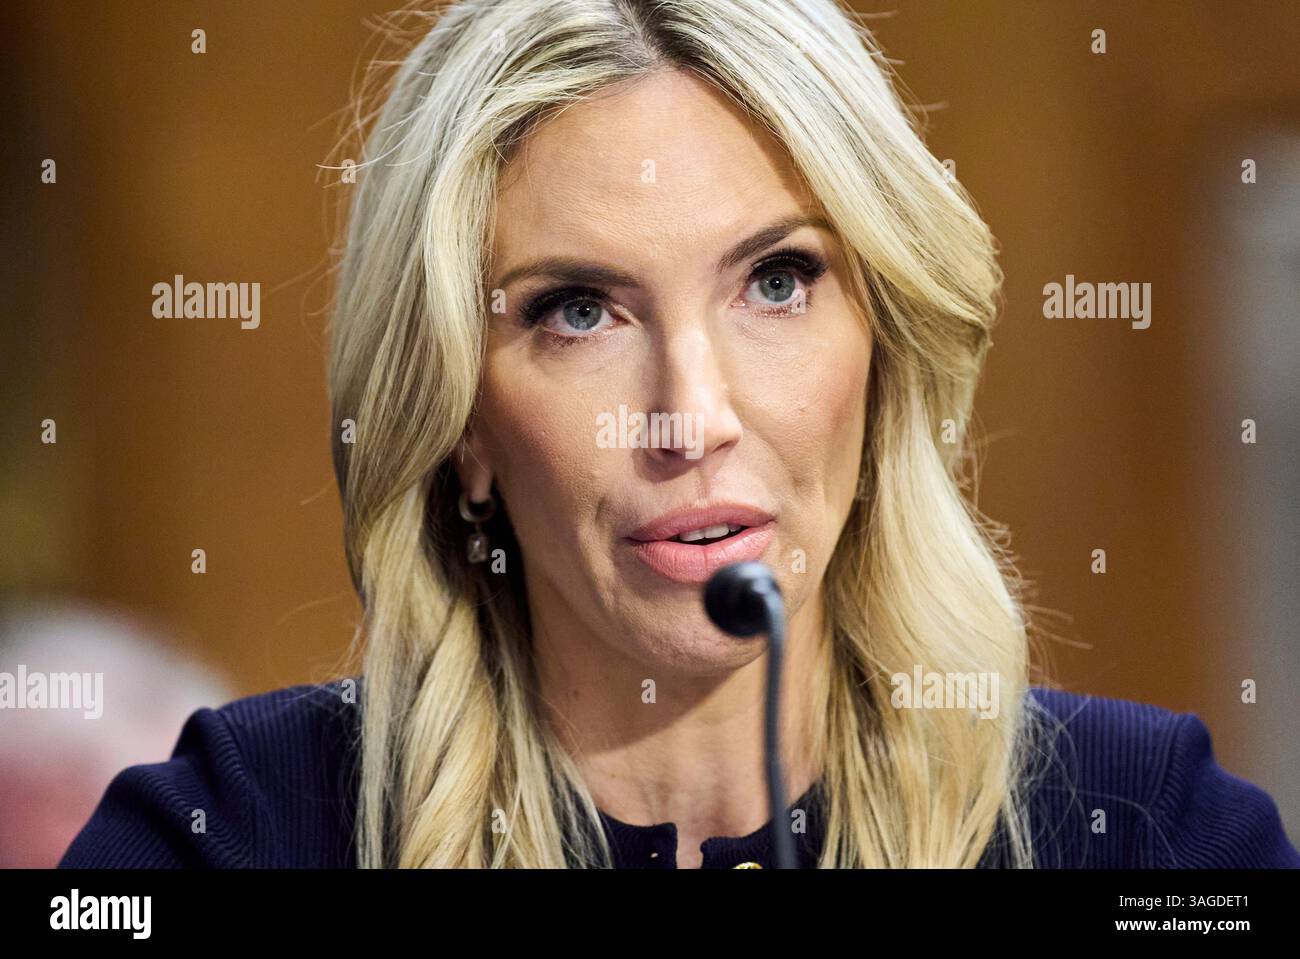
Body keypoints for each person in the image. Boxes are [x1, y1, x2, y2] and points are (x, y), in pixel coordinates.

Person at [60, 0, 1299, 869]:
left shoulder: (1148, 833)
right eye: (578, 311)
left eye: (775, 281)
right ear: (462, 422)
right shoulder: (227, 837)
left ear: (886, 341)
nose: (691, 416)